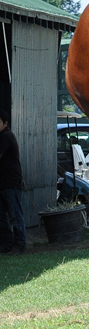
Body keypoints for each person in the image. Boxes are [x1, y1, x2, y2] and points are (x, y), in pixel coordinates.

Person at [0, 109, 26, 254]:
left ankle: (20, 245)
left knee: (15, 216)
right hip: (2, 183)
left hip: (11, 183)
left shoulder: (6, 136)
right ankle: (6, 244)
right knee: (1, 217)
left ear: (5, 123)